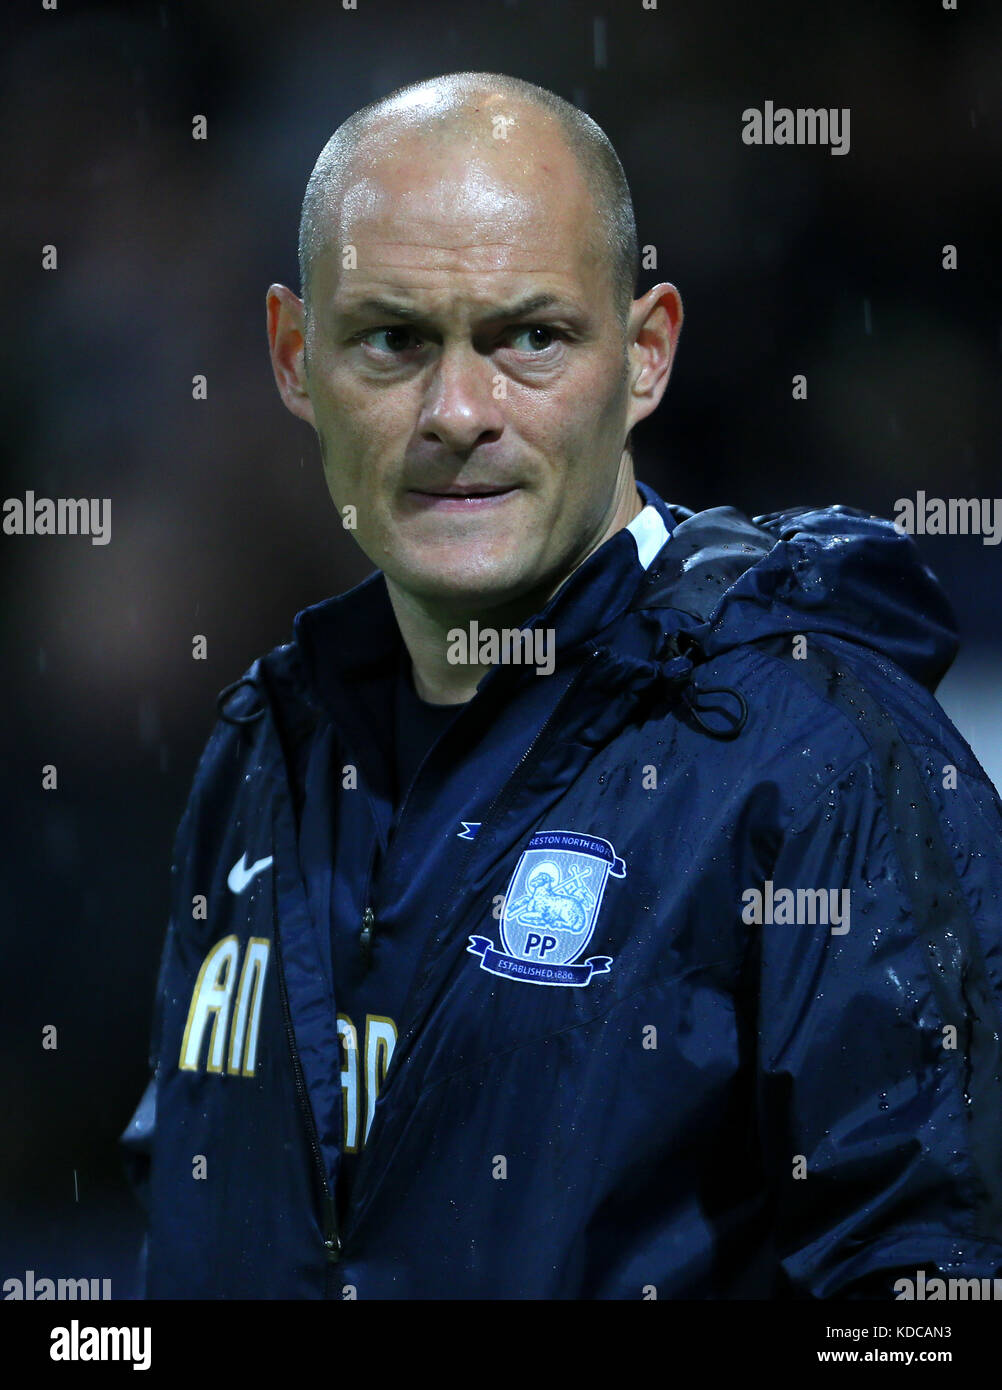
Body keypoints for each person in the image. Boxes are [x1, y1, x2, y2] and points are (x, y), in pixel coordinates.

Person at [121, 70, 1002, 1299]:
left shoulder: (819, 764)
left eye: (529, 336)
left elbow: (933, 1297)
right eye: (393, 339)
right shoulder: (264, 754)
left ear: (646, 356)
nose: (459, 411)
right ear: (290, 355)